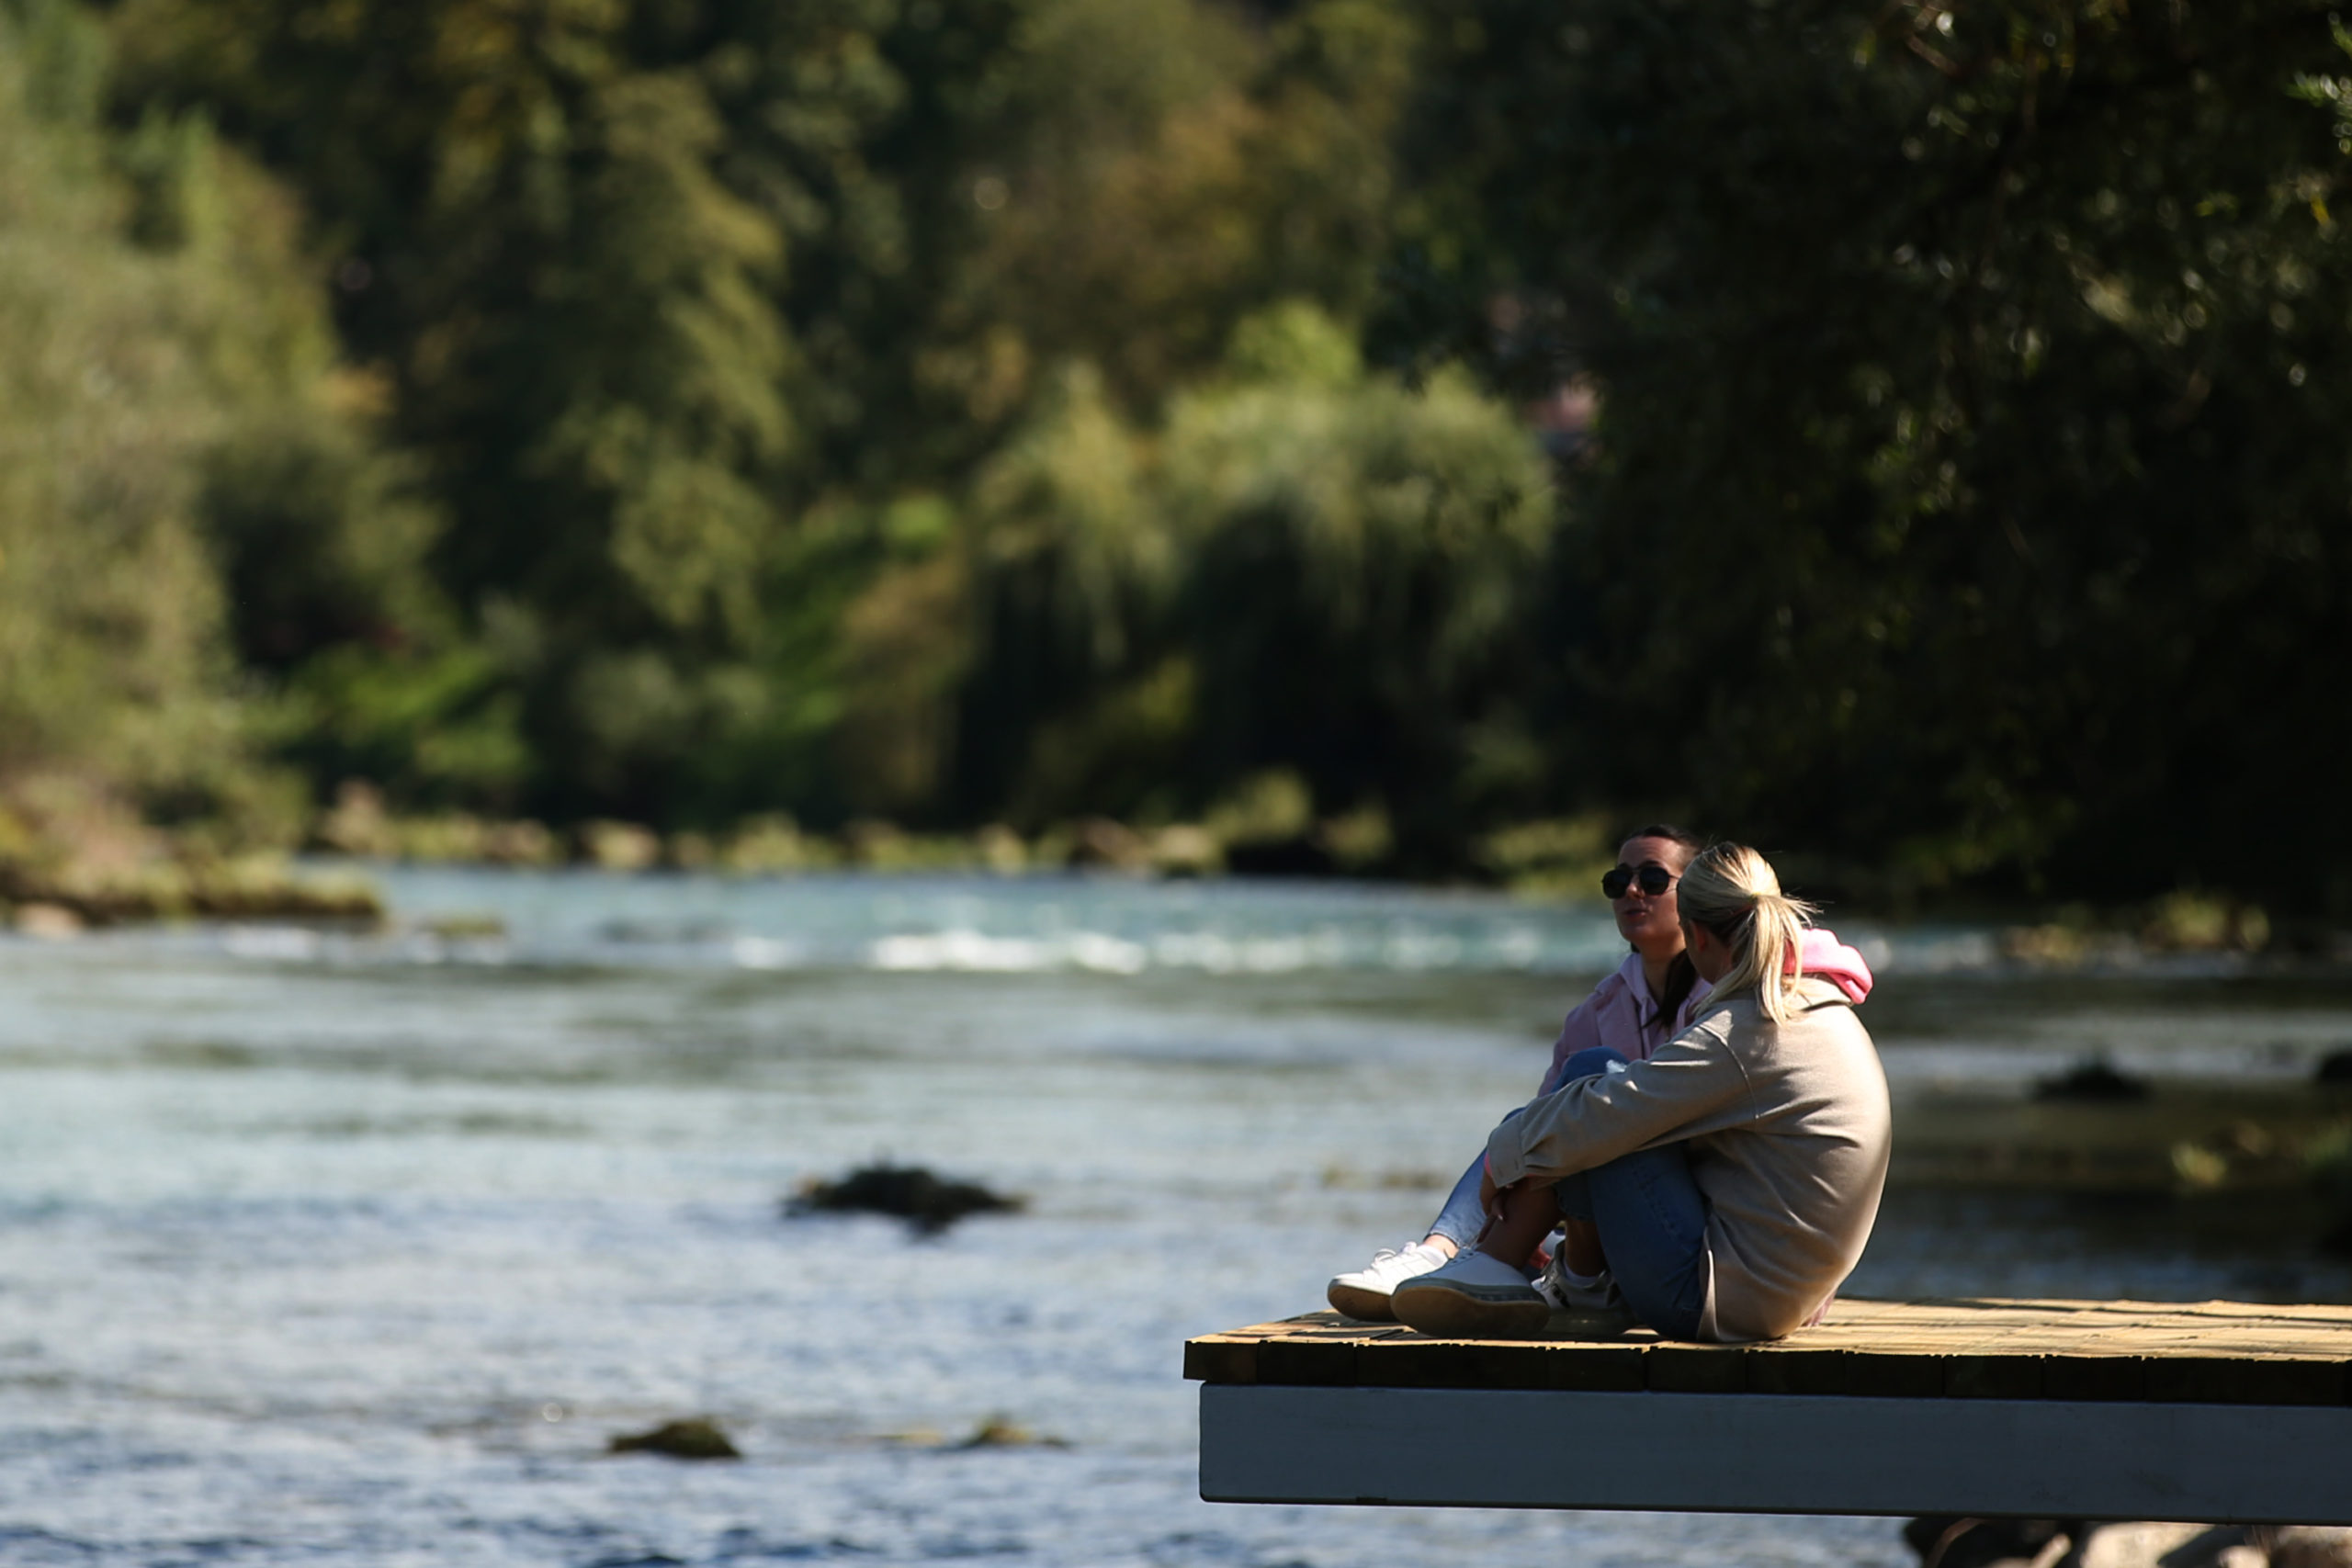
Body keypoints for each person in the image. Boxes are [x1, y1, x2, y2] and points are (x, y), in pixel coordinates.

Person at [1388, 842, 1892, 1342]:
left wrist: (1503, 1157)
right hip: (1779, 1294)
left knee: (1595, 1077)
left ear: (1694, 933)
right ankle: (1551, 1277)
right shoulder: (1814, 1007)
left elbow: (1614, 1111)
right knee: (1593, 1100)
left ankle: (1497, 1263)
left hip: (1712, 1301)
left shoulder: (1745, 1031)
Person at [1326, 824, 1713, 1320]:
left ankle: (1474, 1262)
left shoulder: (1721, 999)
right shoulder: (1595, 1013)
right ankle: (1438, 1255)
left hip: (1685, 1224)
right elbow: (1541, 1135)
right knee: (1530, 1119)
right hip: (1599, 1221)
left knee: (1587, 1079)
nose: (1632, 891)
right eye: (1618, 881)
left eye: (1653, 879)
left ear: (1696, 893)